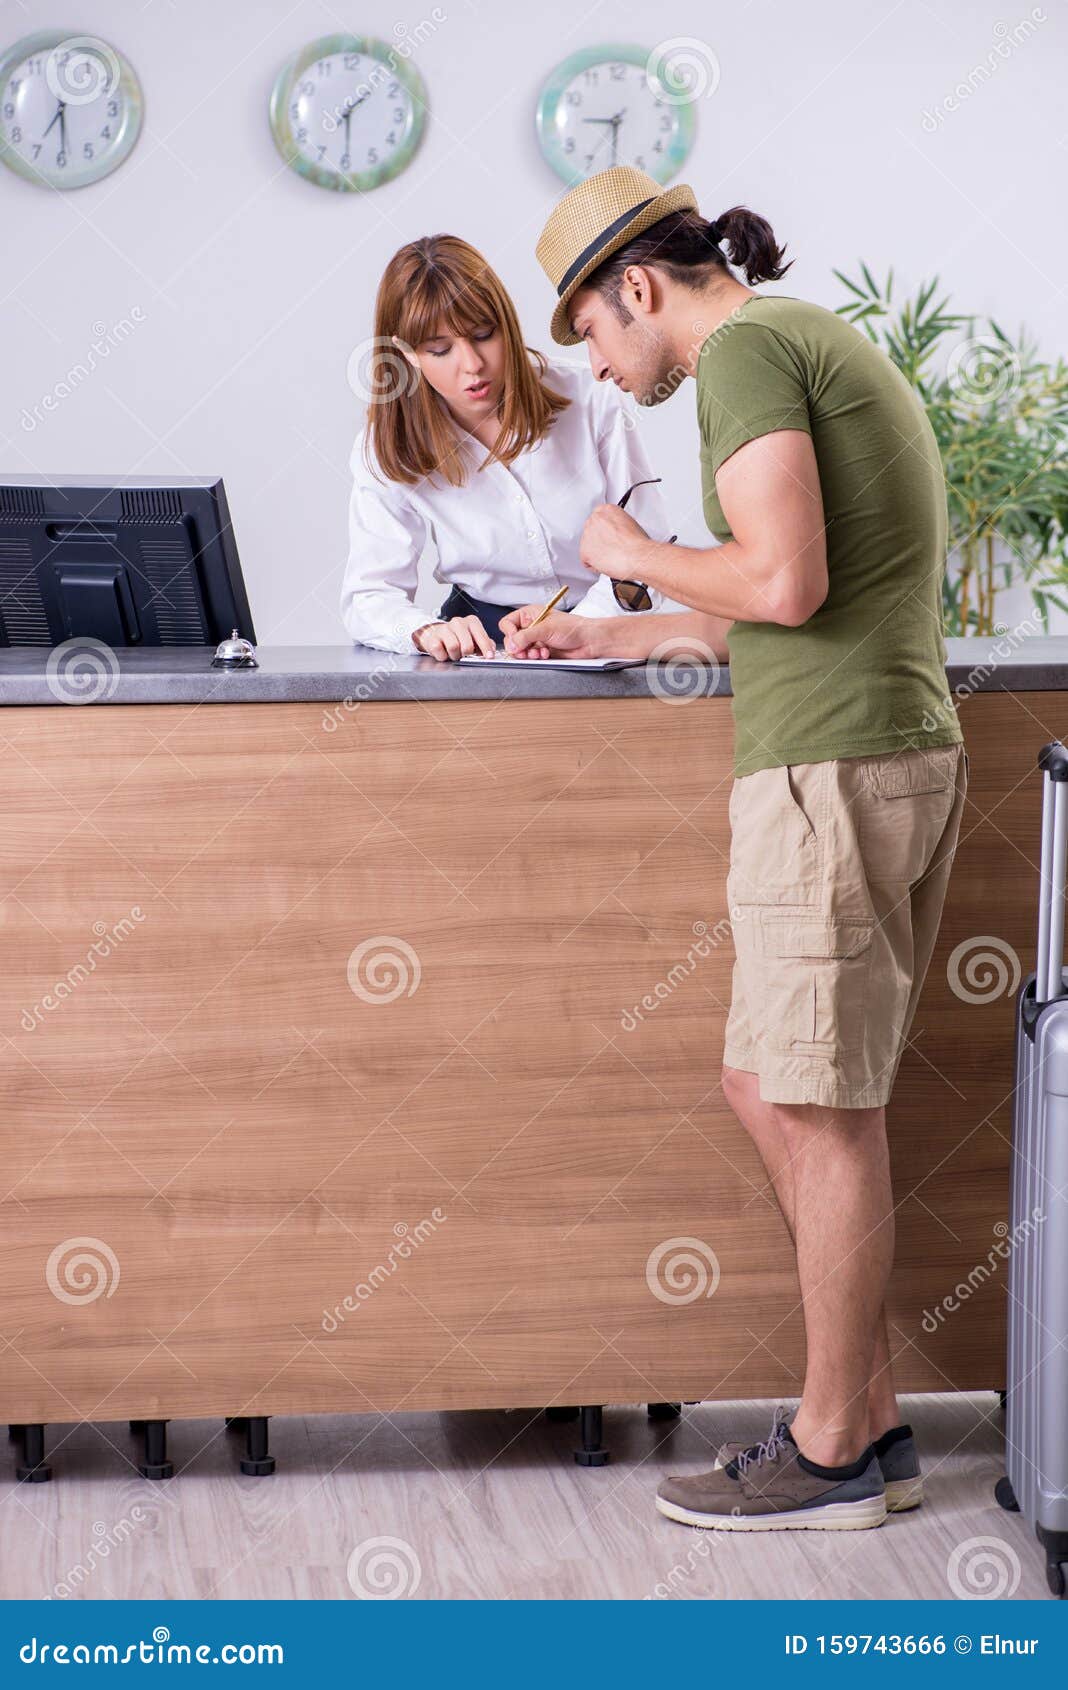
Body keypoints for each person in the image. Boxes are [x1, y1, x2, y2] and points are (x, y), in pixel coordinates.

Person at [514, 165, 967, 1532]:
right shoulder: (796, 341)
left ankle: (831, 1451)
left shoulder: (749, 353)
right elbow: (763, 606)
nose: (597, 364)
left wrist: (635, 548)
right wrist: (612, 625)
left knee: (819, 1105)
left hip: (835, 765)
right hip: (843, 745)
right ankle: (868, 1415)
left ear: (637, 289)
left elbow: (780, 580)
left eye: (591, 331)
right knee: (770, 1082)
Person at [340, 233, 684, 660]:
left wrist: (583, 628)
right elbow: (369, 594)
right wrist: (425, 630)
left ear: (507, 322)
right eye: (440, 349)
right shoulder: (385, 446)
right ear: (407, 354)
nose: (472, 365)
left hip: (603, 628)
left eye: (484, 334)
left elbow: (649, 550)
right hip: (480, 649)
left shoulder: (592, 398)